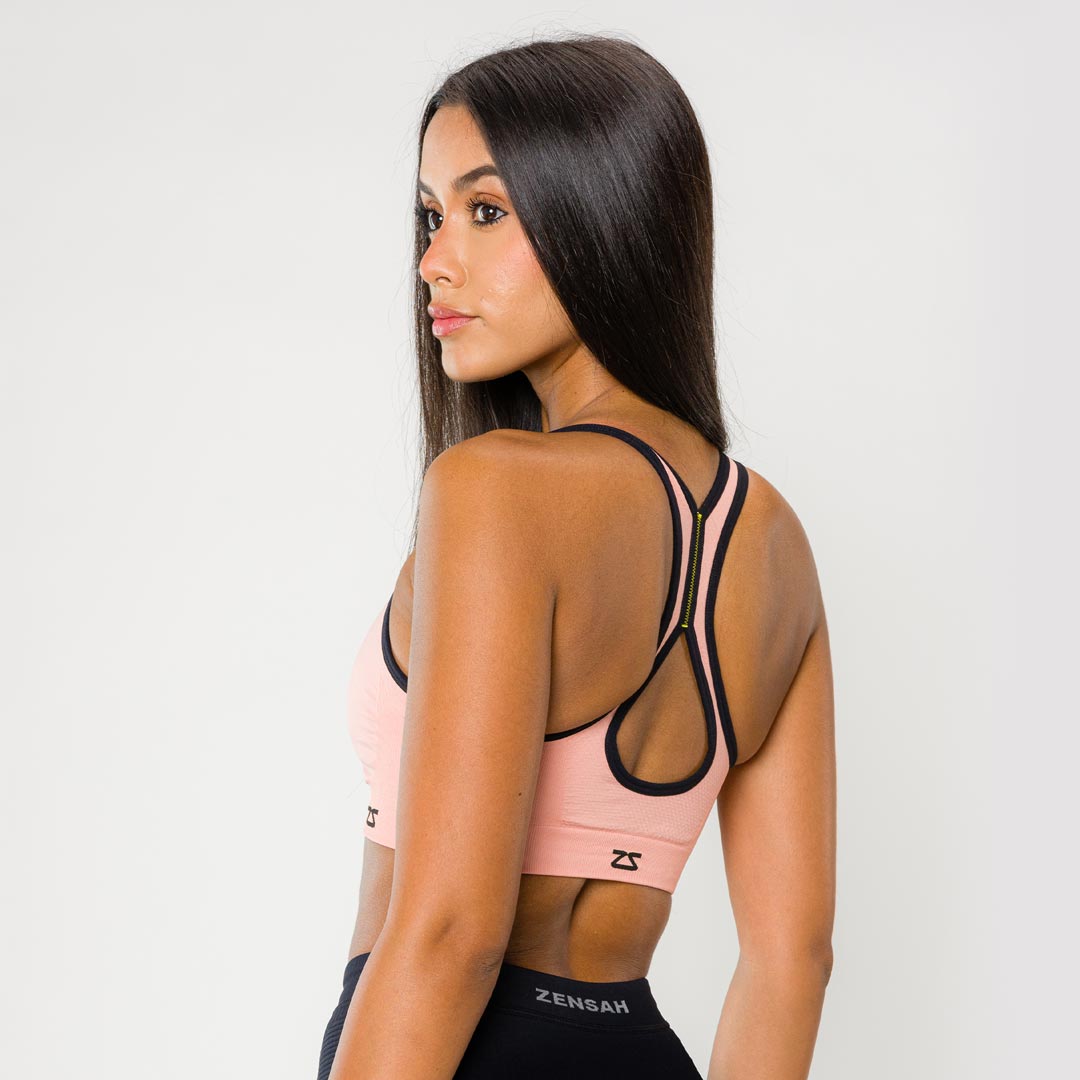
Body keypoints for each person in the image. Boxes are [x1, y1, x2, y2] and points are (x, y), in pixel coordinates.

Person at [317, 32, 835, 1080]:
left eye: (486, 211)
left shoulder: (495, 489)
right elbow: (791, 961)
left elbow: (449, 935)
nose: (433, 261)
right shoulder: (773, 539)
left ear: (603, 214)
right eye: (429, 215)